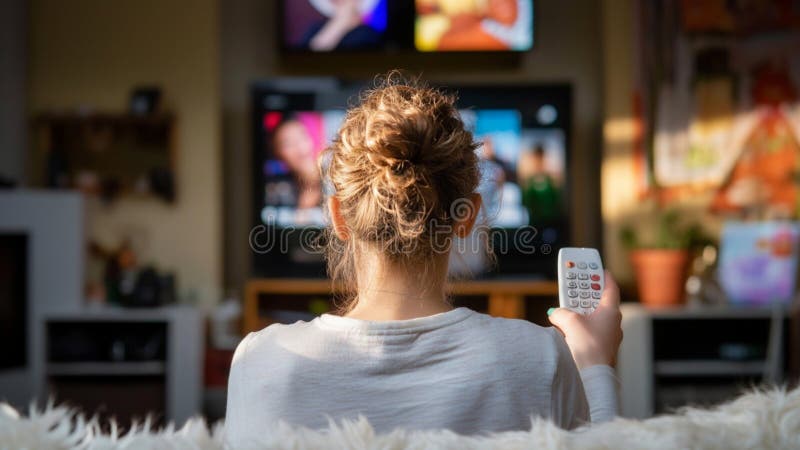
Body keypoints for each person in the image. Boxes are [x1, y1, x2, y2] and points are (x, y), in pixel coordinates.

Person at [226, 75, 622, 445]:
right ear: (467, 216)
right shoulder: (543, 357)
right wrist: (596, 364)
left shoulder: (259, 359)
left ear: (338, 217)